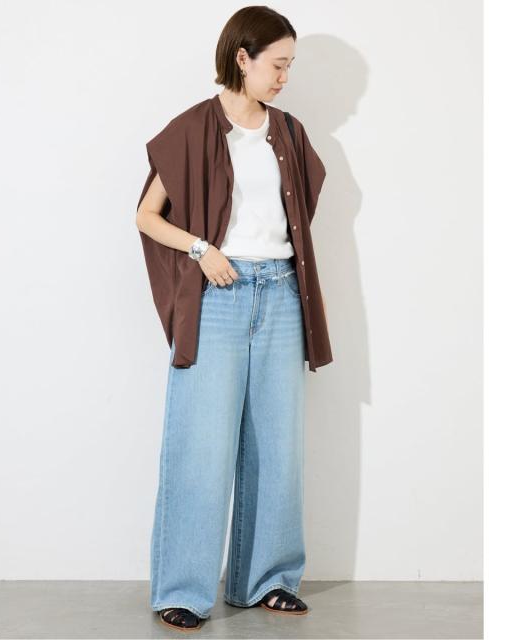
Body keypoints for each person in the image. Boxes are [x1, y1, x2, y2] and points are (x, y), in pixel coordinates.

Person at [136, 6, 331, 632]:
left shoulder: (289, 131)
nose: (285, 78)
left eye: (290, 66)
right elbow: (146, 216)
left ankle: (267, 579)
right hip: (217, 298)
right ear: (242, 58)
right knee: (200, 445)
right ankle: (183, 589)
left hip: (280, 295)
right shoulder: (194, 128)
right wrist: (202, 248)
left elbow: (298, 213)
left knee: (277, 444)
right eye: (278, 65)